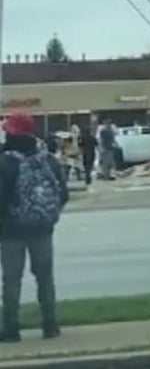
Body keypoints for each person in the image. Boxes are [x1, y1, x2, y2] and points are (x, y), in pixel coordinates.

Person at [0, 112, 68, 342]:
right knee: (45, 278)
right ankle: (50, 325)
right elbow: (63, 193)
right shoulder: (47, 159)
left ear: (12, 133)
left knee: (11, 280)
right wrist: (48, 214)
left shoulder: (4, 161)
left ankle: (11, 328)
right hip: (42, 228)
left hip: (10, 232)